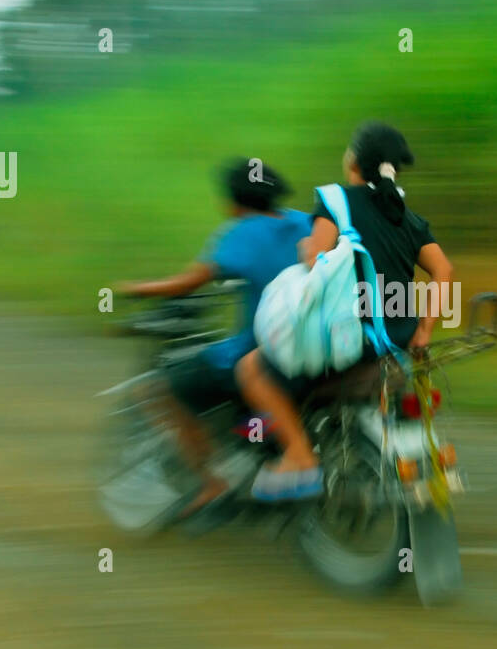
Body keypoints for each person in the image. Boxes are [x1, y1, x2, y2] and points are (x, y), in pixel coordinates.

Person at [235, 122, 454, 501]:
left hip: (349, 349)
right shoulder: (408, 217)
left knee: (251, 368)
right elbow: (444, 271)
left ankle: (300, 457)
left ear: (352, 160)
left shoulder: (336, 202)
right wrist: (424, 330)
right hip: (397, 348)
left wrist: (307, 245)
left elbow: (315, 262)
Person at [119, 158, 311, 516]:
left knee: (159, 390)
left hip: (258, 352)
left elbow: (189, 282)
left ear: (233, 202)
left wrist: (138, 289)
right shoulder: (305, 221)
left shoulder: (240, 232)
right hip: (314, 347)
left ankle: (213, 482)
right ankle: (254, 436)